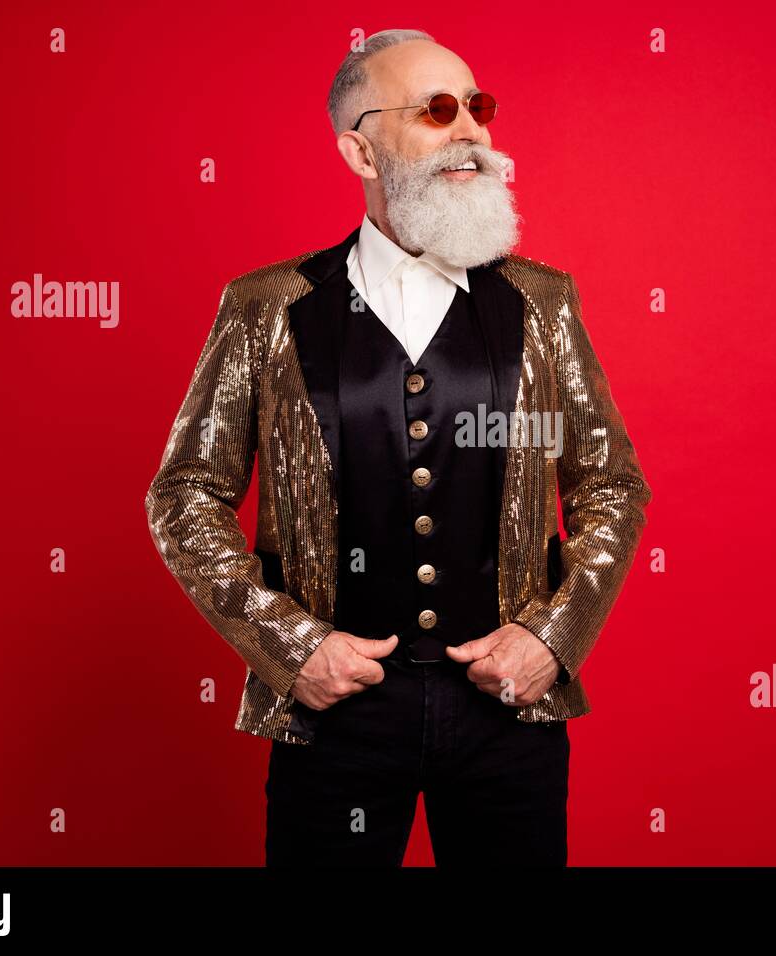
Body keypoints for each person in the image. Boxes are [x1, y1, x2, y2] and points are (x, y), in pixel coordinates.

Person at [144, 28, 651, 866]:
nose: (473, 133)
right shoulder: (268, 307)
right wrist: (290, 646)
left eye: (478, 109)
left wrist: (552, 639)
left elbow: (610, 485)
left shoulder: (541, 303)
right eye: (438, 110)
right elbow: (186, 492)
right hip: (335, 718)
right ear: (360, 150)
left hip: (507, 716)